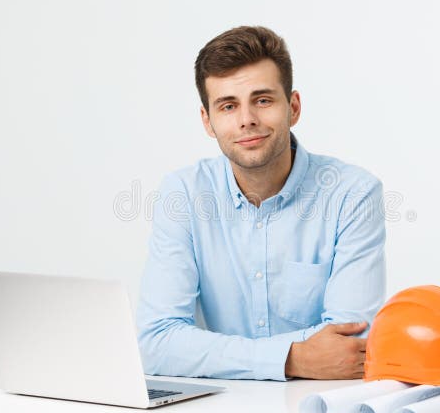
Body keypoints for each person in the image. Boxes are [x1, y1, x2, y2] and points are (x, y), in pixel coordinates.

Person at [136, 26, 386, 380]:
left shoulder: (353, 194)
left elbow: (350, 344)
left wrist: (204, 350)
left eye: (263, 100)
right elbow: (155, 344)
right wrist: (292, 359)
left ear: (293, 107)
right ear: (208, 121)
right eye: (228, 106)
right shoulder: (183, 194)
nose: (246, 119)